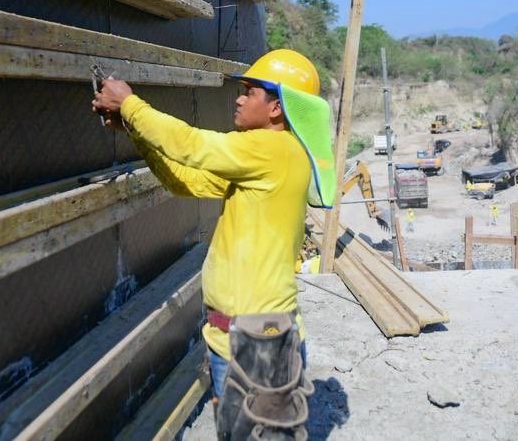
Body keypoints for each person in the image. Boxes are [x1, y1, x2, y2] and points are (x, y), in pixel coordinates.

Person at [91, 49, 335, 416]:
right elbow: (186, 181)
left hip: (258, 345)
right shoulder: (260, 161)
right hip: (235, 339)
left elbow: (191, 145)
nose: (238, 98)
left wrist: (130, 105)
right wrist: (134, 130)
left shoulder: (271, 149)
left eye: (250, 91)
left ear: (276, 108)